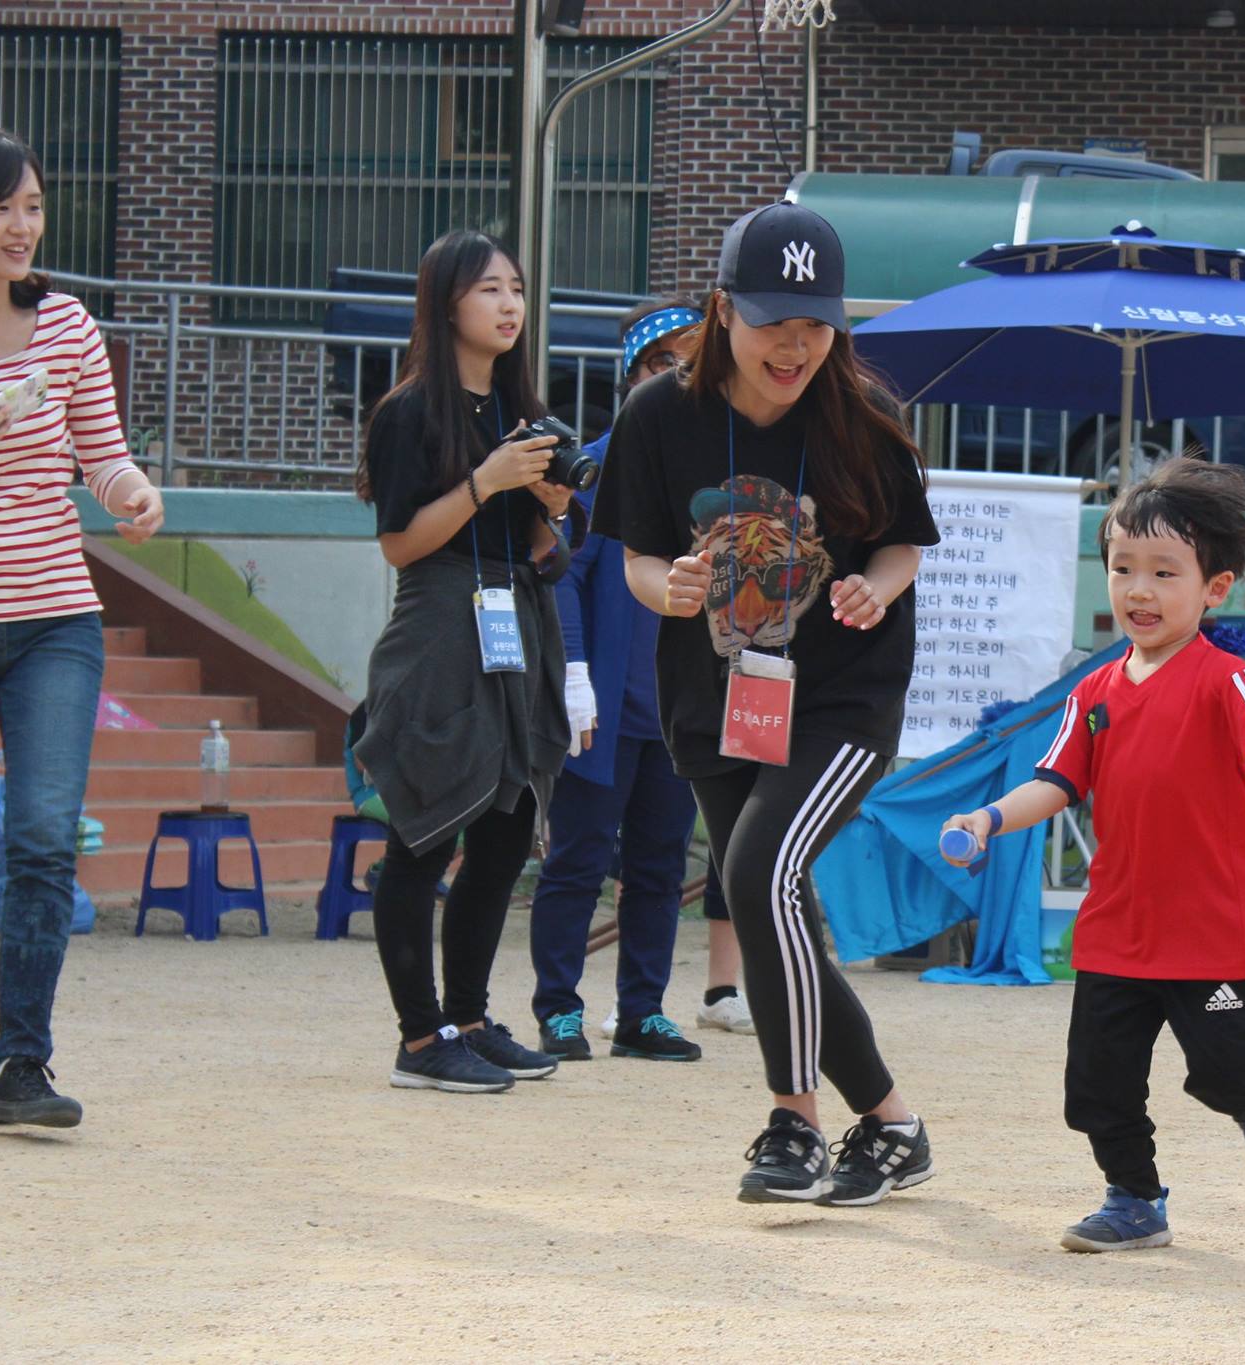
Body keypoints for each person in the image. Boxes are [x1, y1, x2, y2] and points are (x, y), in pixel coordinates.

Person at [593, 200, 940, 1205]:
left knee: (753, 874)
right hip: (712, 701)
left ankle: (792, 1121)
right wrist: (671, 589)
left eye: (816, 322)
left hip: (840, 700)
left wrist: (879, 584)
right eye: (771, 318)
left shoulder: (862, 418)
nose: (795, 343)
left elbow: (903, 541)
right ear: (720, 312)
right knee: (773, 903)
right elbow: (638, 559)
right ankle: (891, 1126)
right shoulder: (657, 417)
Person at [940, 457, 1245, 1253]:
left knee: (1222, 1072)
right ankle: (1134, 1199)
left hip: (1213, 928)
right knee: (1096, 1083)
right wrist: (987, 816)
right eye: (1123, 569)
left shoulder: (1228, 677)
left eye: (1163, 572)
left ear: (1214, 587)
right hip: (1118, 927)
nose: (1138, 589)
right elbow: (1056, 780)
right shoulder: (1095, 690)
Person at [0, 125, 163, 1129]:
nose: (22, 226)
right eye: (0, 206)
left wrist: (133, 490)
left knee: (48, 839)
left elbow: (101, 456)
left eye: (34, 208)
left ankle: (25, 1063)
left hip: (57, 614)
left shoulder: (65, 327)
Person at [353, 229, 580, 1095]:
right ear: (447, 301)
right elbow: (401, 543)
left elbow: (544, 556)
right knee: (423, 827)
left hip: (515, 617)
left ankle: (472, 1017)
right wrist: (485, 481)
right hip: (442, 619)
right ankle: (420, 1037)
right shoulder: (409, 411)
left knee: (504, 828)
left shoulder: (520, 418)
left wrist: (548, 506)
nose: (510, 305)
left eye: (518, 288)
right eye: (491, 289)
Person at [529, 297, 753, 1065]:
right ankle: (558, 1005)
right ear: (634, 376)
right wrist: (575, 675)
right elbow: (562, 575)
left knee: (660, 863)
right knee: (579, 860)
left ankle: (643, 1009)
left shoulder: (709, 482)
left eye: (696, 365)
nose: (682, 378)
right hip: (603, 708)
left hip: (677, 707)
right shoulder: (591, 469)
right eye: (665, 365)